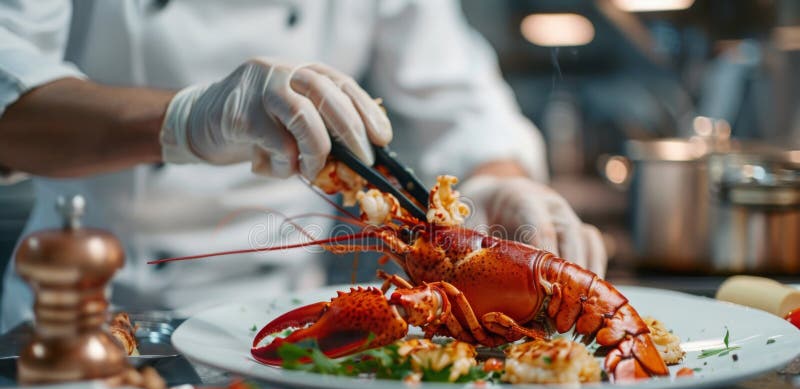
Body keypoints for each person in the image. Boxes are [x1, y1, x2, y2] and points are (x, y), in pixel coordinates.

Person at [0, 0, 606, 333]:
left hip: (286, 322)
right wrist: (185, 118)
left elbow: (460, 102)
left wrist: (498, 182)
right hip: (79, 317)